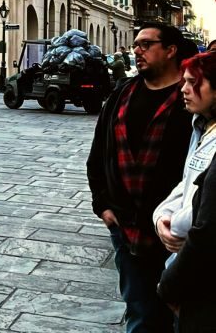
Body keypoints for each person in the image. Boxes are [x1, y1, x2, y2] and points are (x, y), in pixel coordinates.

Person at [86, 22, 196, 332]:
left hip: (175, 232)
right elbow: (98, 153)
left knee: (180, 314)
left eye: (146, 44)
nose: (137, 50)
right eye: (136, 44)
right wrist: (103, 206)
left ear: (170, 50)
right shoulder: (123, 93)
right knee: (139, 312)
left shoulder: (190, 100)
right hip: (125, 225)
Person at [154, 51, 216, 264]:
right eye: (184, 81)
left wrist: (175, 226)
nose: (184, 89)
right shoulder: (201, 125)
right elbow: (187, 183)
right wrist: (161, 216)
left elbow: (205, 202)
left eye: (193, 82)